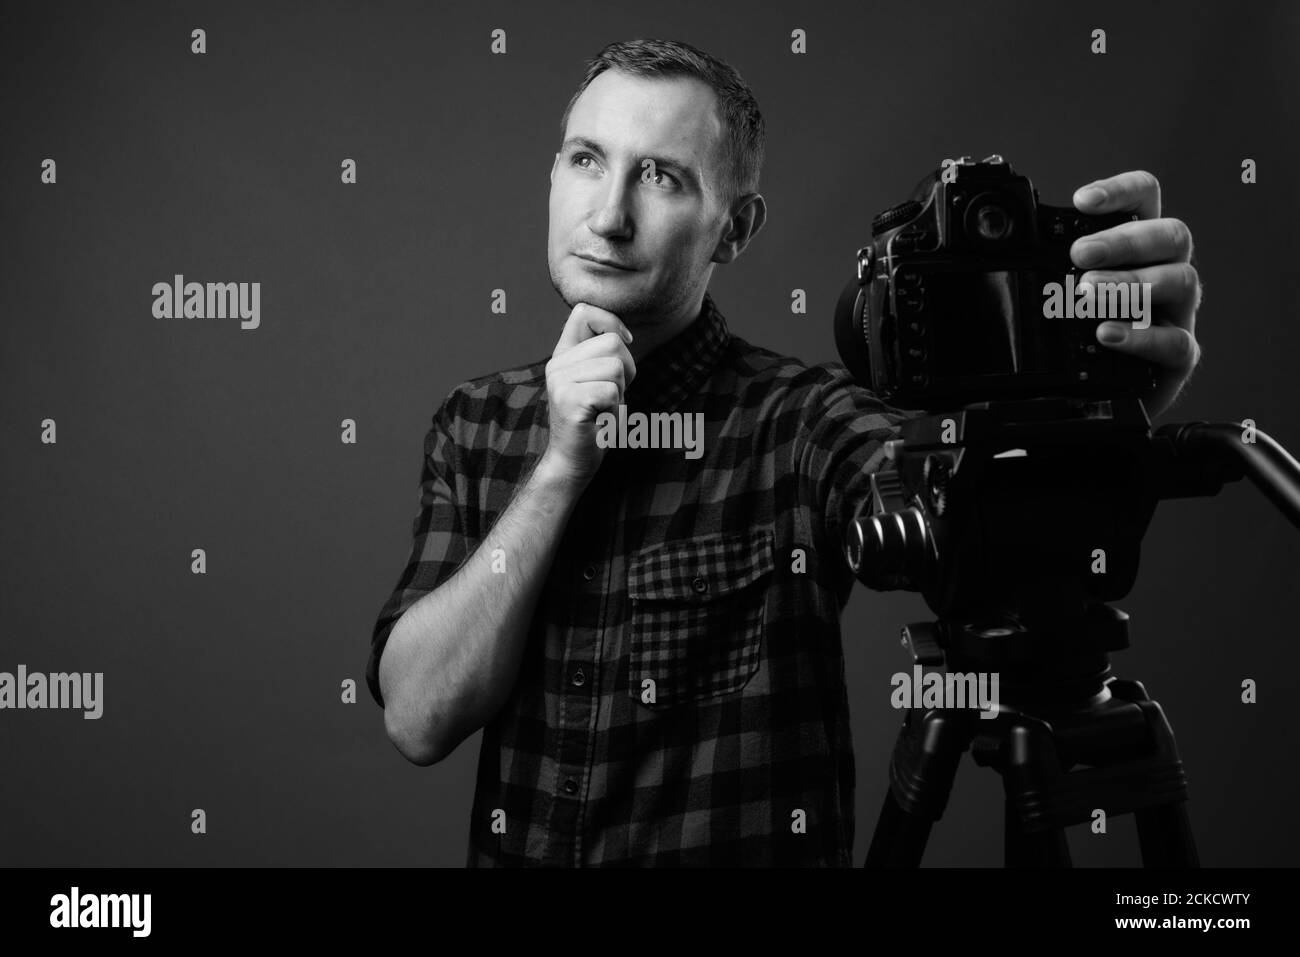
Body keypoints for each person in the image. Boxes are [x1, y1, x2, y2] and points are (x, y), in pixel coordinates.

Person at [365, 37, 1203, 866]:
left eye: (661, 176)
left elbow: (954, 514)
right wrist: (560, 468)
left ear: (735, 230)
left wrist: (1089, 422)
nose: (609, 215)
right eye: (587, 160)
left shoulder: (804, 421)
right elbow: (418, 716)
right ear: (553, 176)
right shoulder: (475, 421)